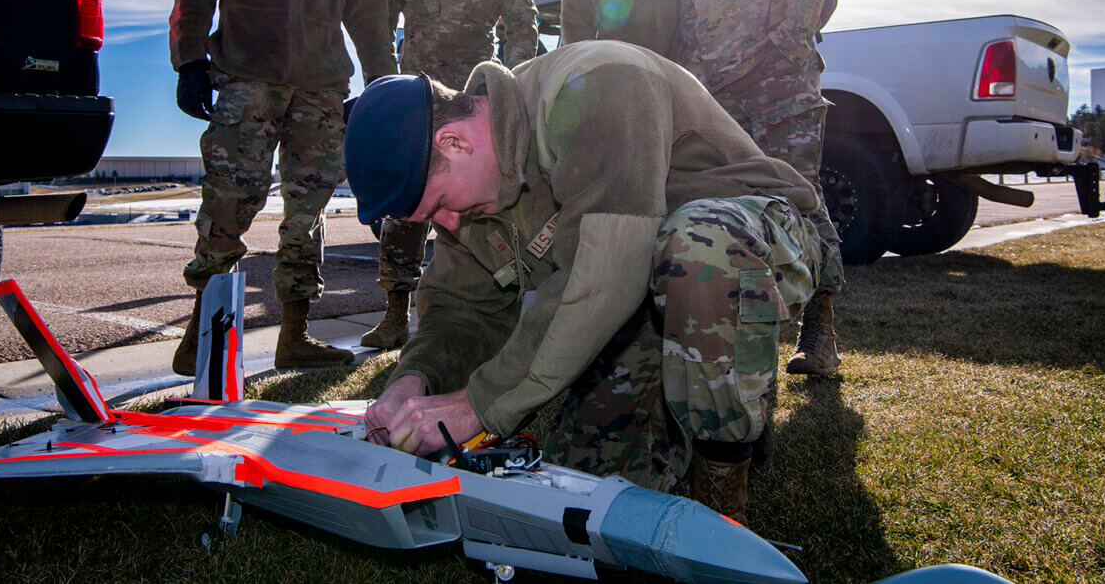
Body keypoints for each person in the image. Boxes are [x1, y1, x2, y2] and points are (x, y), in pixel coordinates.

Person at [343, 41, 821, 523]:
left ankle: (724, 486)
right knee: (582, 490)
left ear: (454, 142)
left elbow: (603, 274)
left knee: (698, 244)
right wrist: (413, 381)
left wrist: (476, 406)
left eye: (439, 204)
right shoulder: (470, 197)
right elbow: (460, 309)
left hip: (759, 238)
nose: (447, 223)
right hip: (644, 292)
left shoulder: (595, 84)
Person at [168, 0, 396, 373]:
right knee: (229, 202)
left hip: (321, 86)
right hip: (247, 76)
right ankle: (201, 334)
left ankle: (294, 334)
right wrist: (190, 60)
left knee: (307, 211)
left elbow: (368, 6)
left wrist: (381, 82)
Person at [654, 0, 845, 377]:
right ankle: (747, 321)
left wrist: (784, 51)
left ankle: (821, 331)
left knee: (801, 196)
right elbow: (692, 14)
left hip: (776, 85)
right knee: (734, 200)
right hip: (718, 97)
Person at [362, 0, 539, 350]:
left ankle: (481, 313)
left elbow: (522, 27)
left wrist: (511, 90)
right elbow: (376, 24)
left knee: (479, 211)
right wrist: (379, 89)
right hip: (413, 106)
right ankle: (396, 313)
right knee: (407, 207)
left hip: (471, 107)